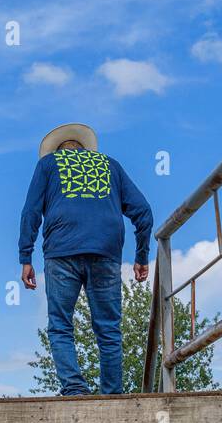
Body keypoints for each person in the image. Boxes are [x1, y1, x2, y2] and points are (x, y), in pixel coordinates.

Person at [18, 121, 153, 396]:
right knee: (108, 328)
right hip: (105, 252)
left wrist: (26, 256)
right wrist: (141, 256)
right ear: (84, 149)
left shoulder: (48, 165)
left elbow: (31, 212)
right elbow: (144, 212)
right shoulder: (111, 166)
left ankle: (75, 389)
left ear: (57, 151)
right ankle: (112, 394)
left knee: (60, 324)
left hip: (61, 251)